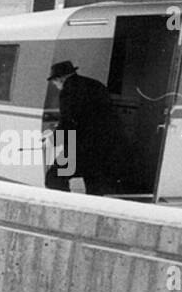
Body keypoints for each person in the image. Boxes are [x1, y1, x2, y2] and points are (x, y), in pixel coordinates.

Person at [46, 60, 136, 196]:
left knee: (54, 178)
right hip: (107, 146)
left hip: (83, 147)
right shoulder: (96, 85)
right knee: (95, 184)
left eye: (54, 82)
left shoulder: (68, 90)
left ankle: (67, 207)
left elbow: (68, 121)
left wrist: (53, 140)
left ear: (60, 78)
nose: (55, 85)